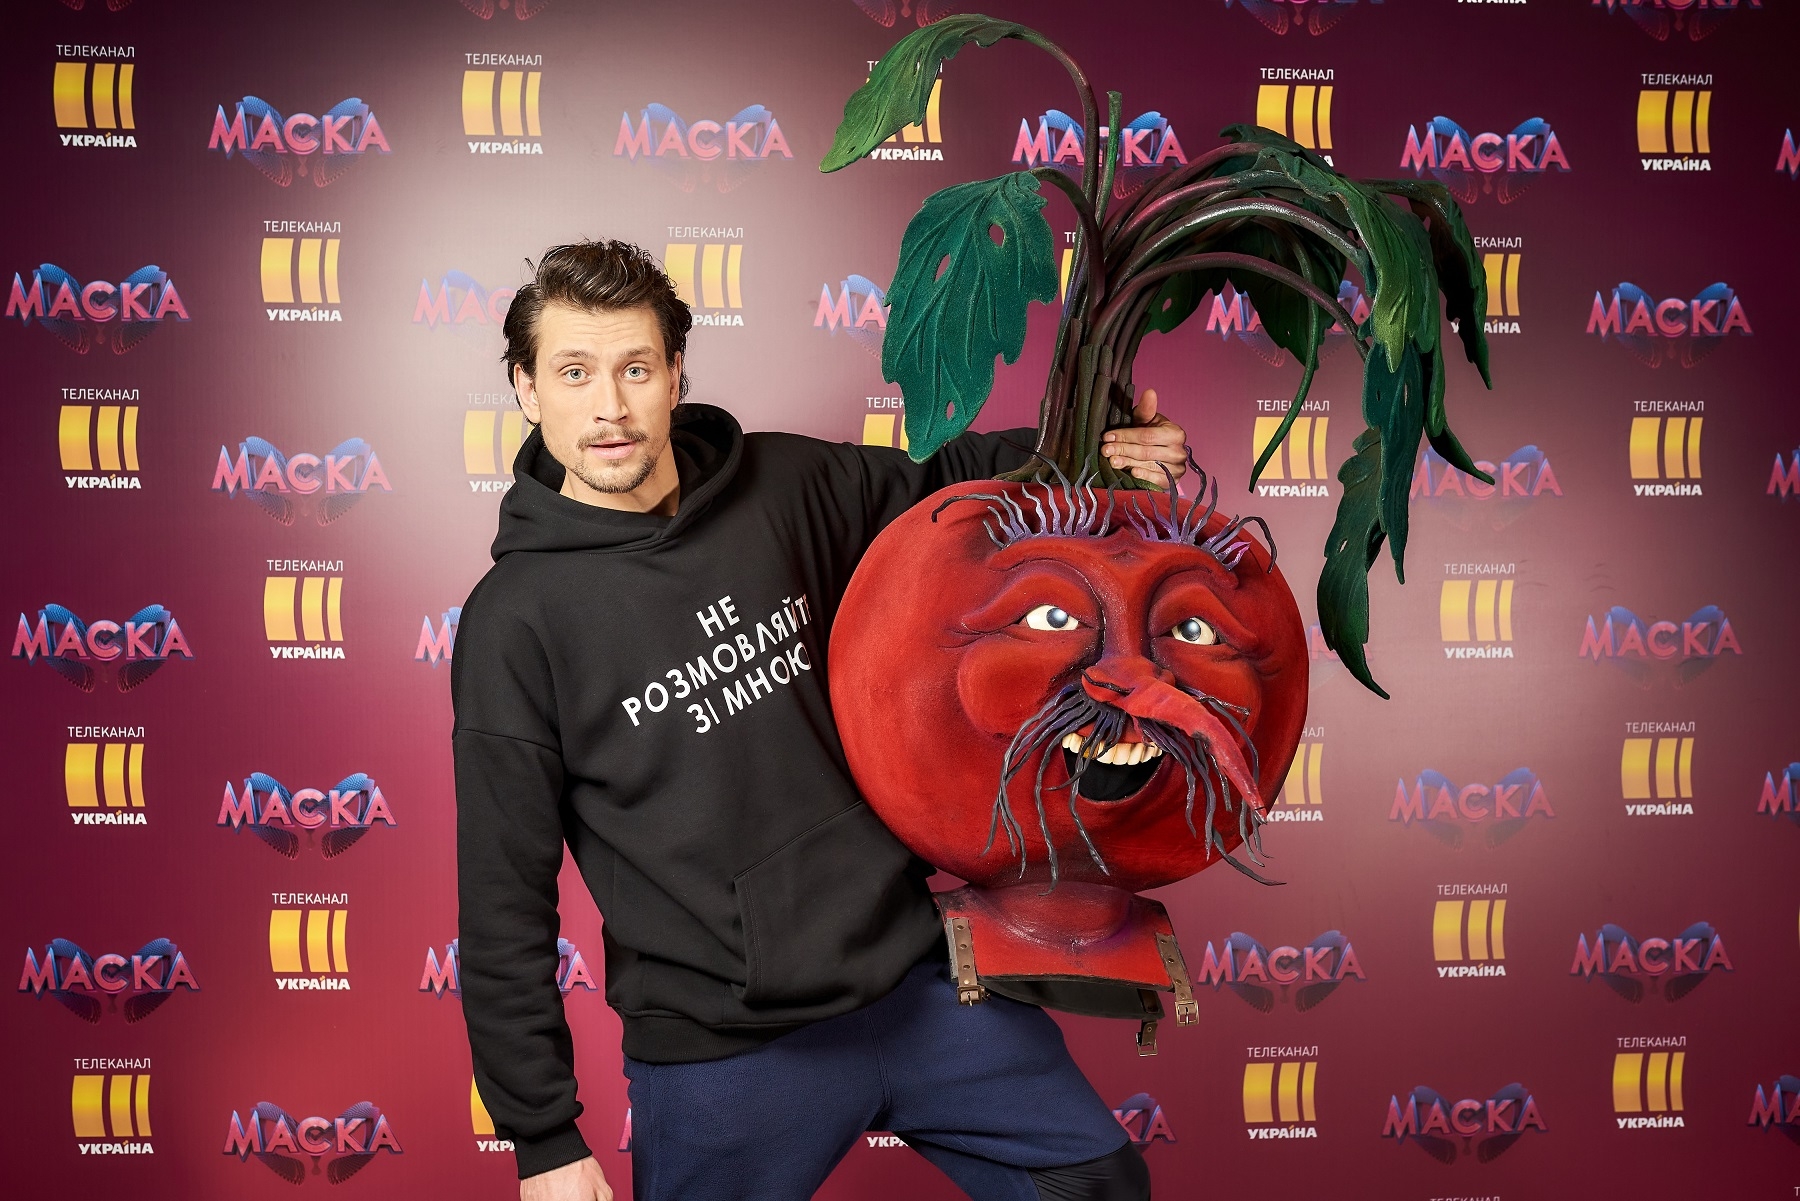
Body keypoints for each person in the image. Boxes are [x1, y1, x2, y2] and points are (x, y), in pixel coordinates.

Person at [452, 240, 1190, 1201]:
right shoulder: (514, 622)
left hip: (915, 980)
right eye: (574, 372)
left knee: (1099, 1185)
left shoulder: (784, 484)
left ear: (676, 375)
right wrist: (544, 1136)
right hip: (723, 1047)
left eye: (635, 368)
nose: (609, 407)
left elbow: (955, 485)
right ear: (526, 388)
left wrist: (1099, 453)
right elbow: (503, 902)